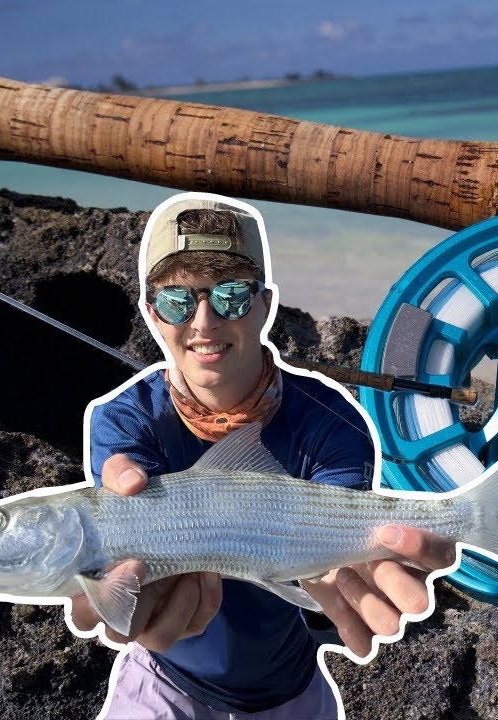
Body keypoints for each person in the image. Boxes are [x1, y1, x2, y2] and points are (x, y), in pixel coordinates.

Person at [71, 192, 456, 719]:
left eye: (230, 295)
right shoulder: (125, 418)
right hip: (162, 682)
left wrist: (330, 569)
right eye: (178, 301)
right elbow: (122, 534)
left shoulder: (329, 421)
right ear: (151, 315)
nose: (203, 322)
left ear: (266, 305)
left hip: (290, 691)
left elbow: (330, 538)